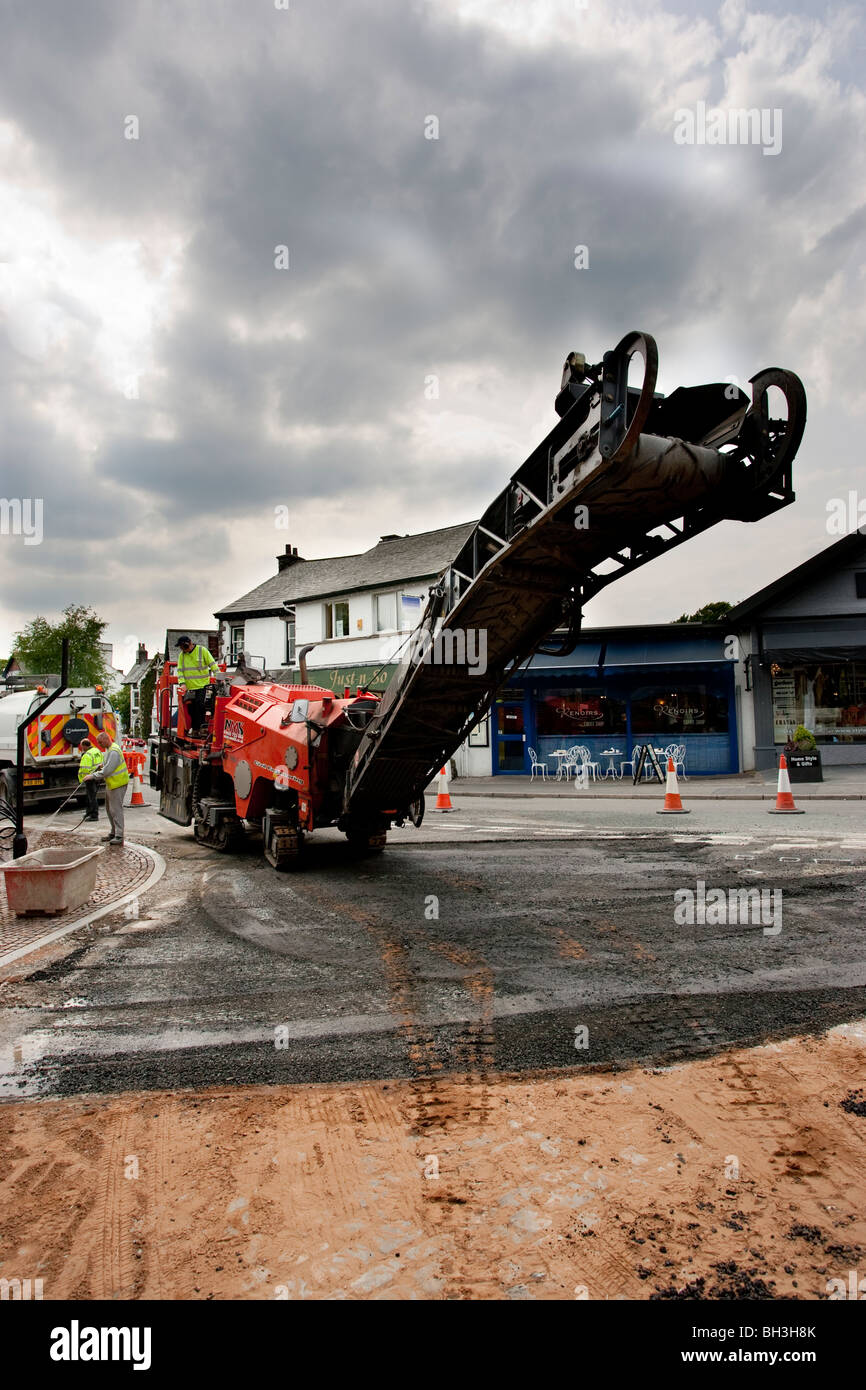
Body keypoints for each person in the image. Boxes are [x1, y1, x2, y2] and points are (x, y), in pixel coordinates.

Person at [85, 731, 129, 846]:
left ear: (106, 739)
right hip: (112, 784)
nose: (99, 745)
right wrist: (101, 765)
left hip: (118, 784)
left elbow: (108, 770)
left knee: (116, 810)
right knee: (110, 809)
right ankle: (114, 832)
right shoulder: (110, 749)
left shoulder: (113, 751)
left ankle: (119, 835)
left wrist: (93, 776)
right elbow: (108, 765)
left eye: (100, 742)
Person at [176, 635, 218, 735]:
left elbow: (213, 665)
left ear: (188, 644)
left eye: (182, 647)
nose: (182, 649)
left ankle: (203, 727)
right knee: (191, 709)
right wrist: (182, 684)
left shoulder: (202, 651)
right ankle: (195, 729)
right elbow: (180, 671)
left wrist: (219, 678)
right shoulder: (182, 656)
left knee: (201, 706)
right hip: (190, 688)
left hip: (203, 686)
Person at [77, 738, 102, 822]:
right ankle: (88, 812)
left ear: (84, 746)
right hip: (97, 776)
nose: (81, 748)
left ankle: (94, 815)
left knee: (91, 797)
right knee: (89, 796)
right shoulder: (97, 751)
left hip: (89, 778)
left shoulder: (87, 755)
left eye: (82, 747)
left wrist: (83, 778)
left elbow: (84, 769)